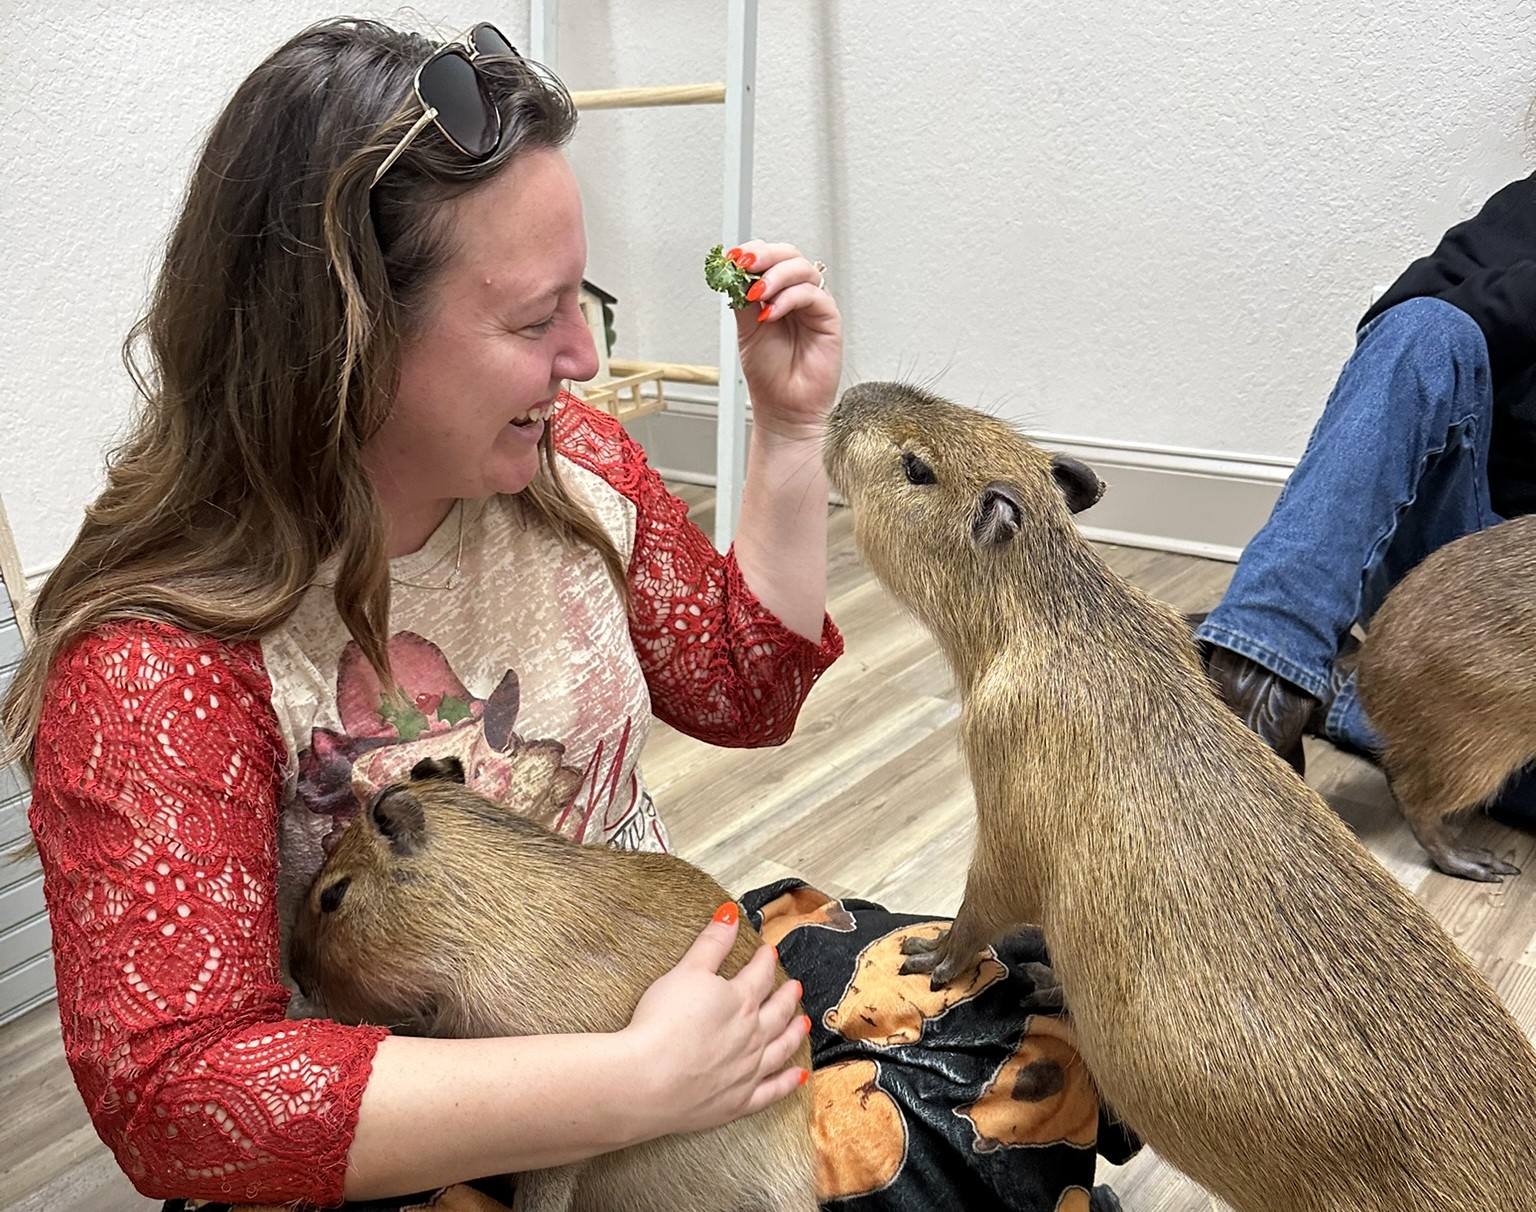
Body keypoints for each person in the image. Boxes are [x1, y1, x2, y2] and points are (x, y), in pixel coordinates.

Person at [4, 17, 1131, 1212]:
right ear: (342, 339)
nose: (585, 358)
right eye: (531, 318)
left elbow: (743, 692)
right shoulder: (151, 667)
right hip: (406, 1122)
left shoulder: (571, 468)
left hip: (647, 975)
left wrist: (791, 432)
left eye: (580, 299)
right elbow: (184, 1098)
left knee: (1058, 1013)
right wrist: (630, 1086)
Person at [1194, 168, 1536, 832]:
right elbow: (1398, 337)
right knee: (1426, 332)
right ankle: (1255, 677)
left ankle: (1359, 703)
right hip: (1464, 577)